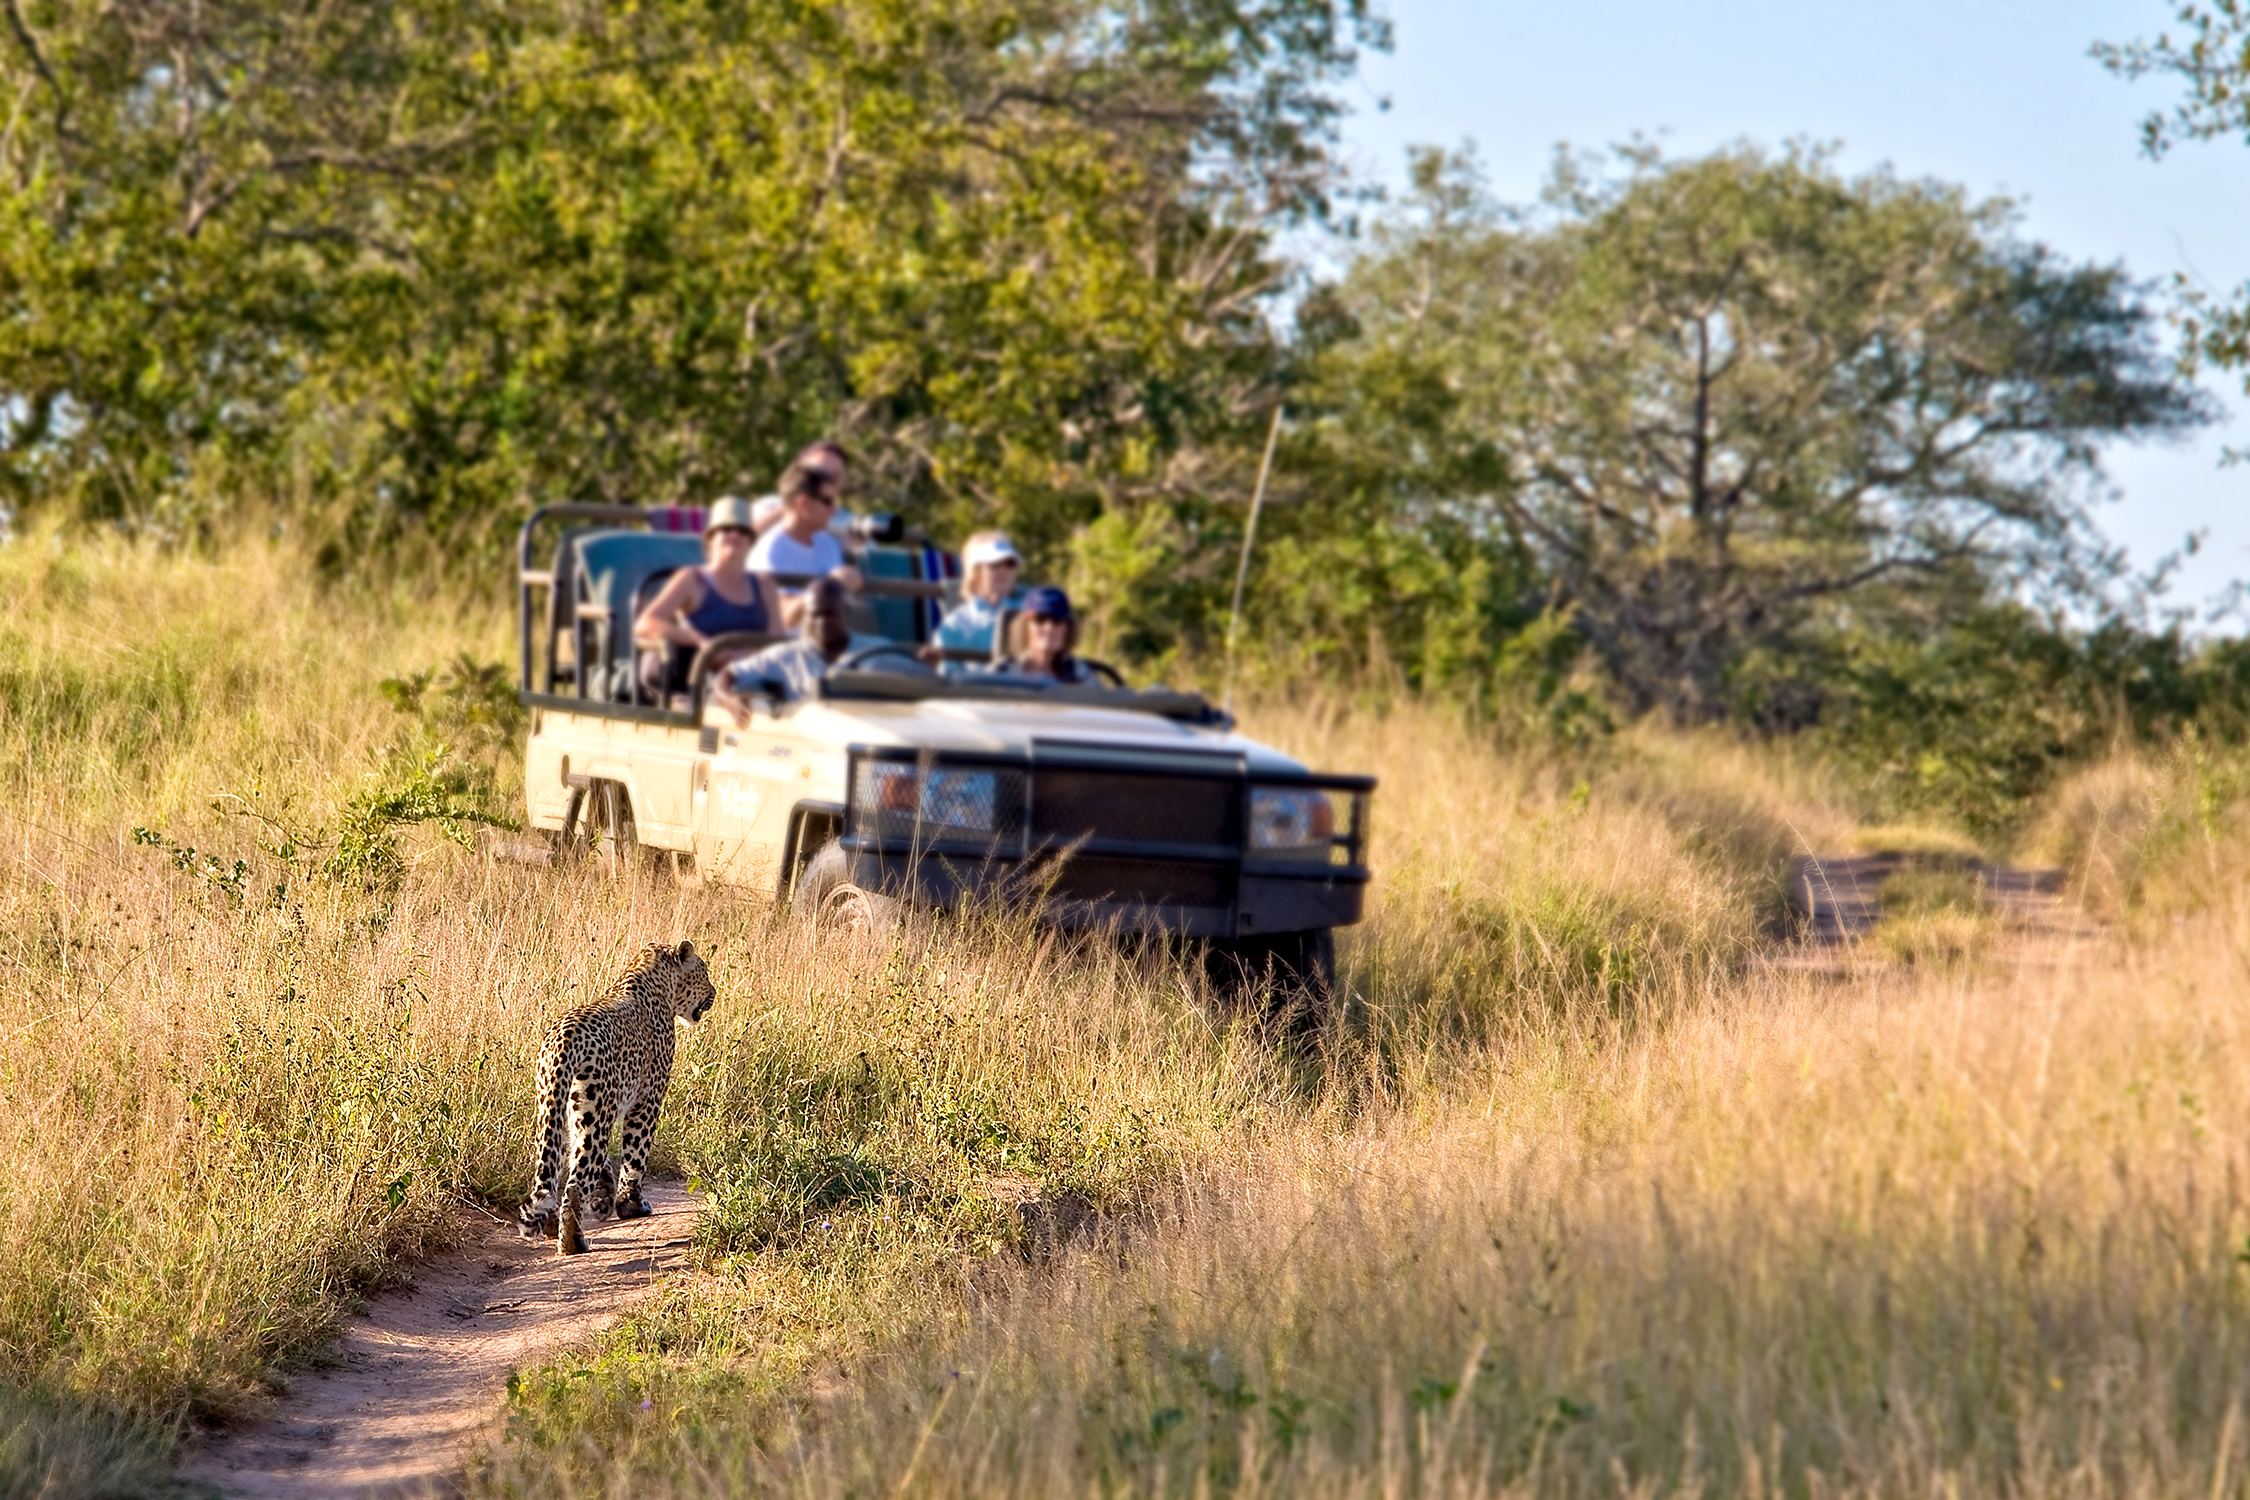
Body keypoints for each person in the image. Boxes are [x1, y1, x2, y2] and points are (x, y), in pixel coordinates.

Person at [632, 496, 787, 701]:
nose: (735, 535)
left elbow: (776, 641)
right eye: (726, 529)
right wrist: (700, 642)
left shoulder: (764, 584)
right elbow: (645, 624)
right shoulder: (691, 579)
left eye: (743, 531)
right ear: (711, 538)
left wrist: (742, 657)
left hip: (751, 682)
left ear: (750, 542)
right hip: (695, 686)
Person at [711, 577, 854, 723]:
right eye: (815, 614)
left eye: (830, 614)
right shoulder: (787, 655)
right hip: (805, 731)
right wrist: (729, 700)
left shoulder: (869, 652)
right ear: (805, 616)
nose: (822, 622)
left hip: (863, 727)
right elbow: (729, 674)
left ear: (846, 612)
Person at [747, 444, 864, 595]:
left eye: (835, 475)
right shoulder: (770, 548)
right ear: (803, 503)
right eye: (827, 501)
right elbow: (778, 607)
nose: (834, 510)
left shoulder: (827, 543)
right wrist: (829, 586)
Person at [918, 530, 1022, 668]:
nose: (1004, 570)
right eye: (994, 563)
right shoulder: (953, 627)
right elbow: (949, 677)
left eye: (1010, 563)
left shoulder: (1033, 617)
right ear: (975, 571)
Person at [993, 585, 1100, 684]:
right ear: (1025, 626)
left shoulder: (1080, 674)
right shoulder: (1003, 672)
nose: (1049, 628)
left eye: (1057, 620)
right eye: (1040, 619)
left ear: (1067, 628)